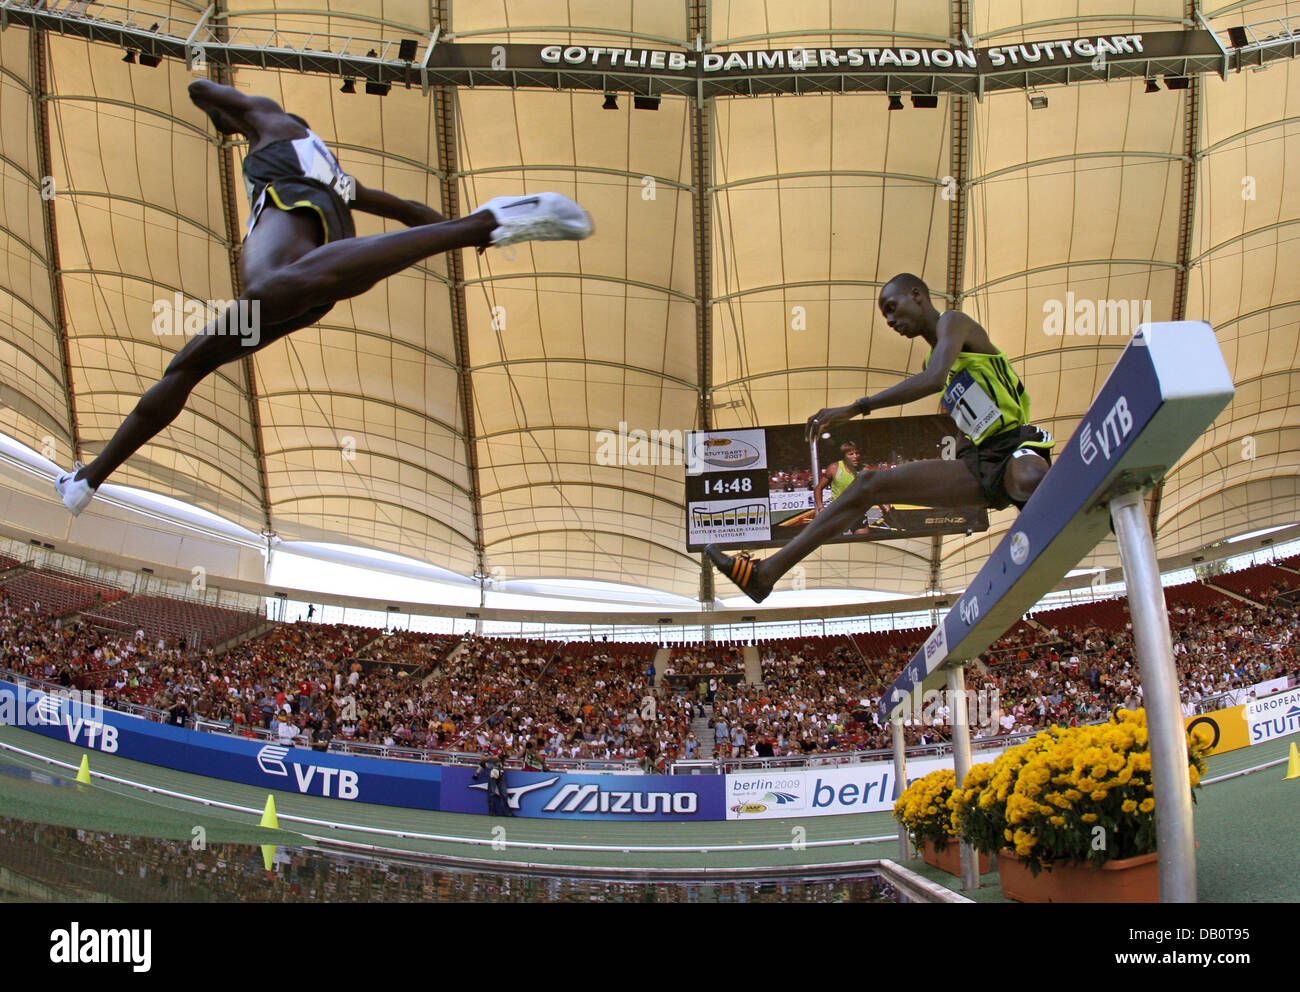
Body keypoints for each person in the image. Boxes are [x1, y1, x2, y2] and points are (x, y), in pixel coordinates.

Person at [55, 79, 592, 514]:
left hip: (295, 223)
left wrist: (227, 111)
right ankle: (88, 480)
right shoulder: (339, 176)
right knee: (190, 364)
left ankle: (486, 221)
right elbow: (406, 208)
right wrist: (441, 224)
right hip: (329, 260)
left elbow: (200, 89)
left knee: (252, 301)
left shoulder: (270, 122)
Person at [707, 272, 1053, 602]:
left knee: (1027, 478)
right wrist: (962, 454)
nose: (889, 320)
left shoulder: (954, 323)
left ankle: (1058, 510)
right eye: (885, 315)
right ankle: (763, 574)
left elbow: (934, 379)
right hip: (978, 462)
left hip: (1015, 444)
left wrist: (857, 407)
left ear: (917, 295)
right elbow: (965, 415)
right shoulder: (932, 359)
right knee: (868, 484)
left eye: (891, 307)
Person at [472, 749, 513, 817]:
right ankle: (492, 811)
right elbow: (482, 760)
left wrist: (504, 756)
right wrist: (493, 758)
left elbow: (506, 758)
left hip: (500, 771)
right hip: (491, 771)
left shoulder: (502, 748)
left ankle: (507, 812)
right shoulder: (488, 749)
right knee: (491, 792)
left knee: (504, 793)